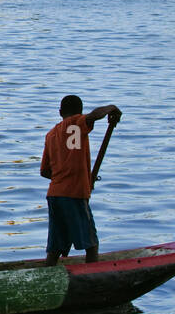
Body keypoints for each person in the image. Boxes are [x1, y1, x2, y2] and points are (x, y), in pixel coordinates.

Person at [40, 95, 122, 266]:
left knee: (55, 247)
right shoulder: (76, 123)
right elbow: (94, 116)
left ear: (60, 112)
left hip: (55, 194)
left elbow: (45, 171)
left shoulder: (51, 135)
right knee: (91, 244)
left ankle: (48, 273)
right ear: (80, 112)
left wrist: (64, 175)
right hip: (74, 194)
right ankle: (93, 275)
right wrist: (111, 107)